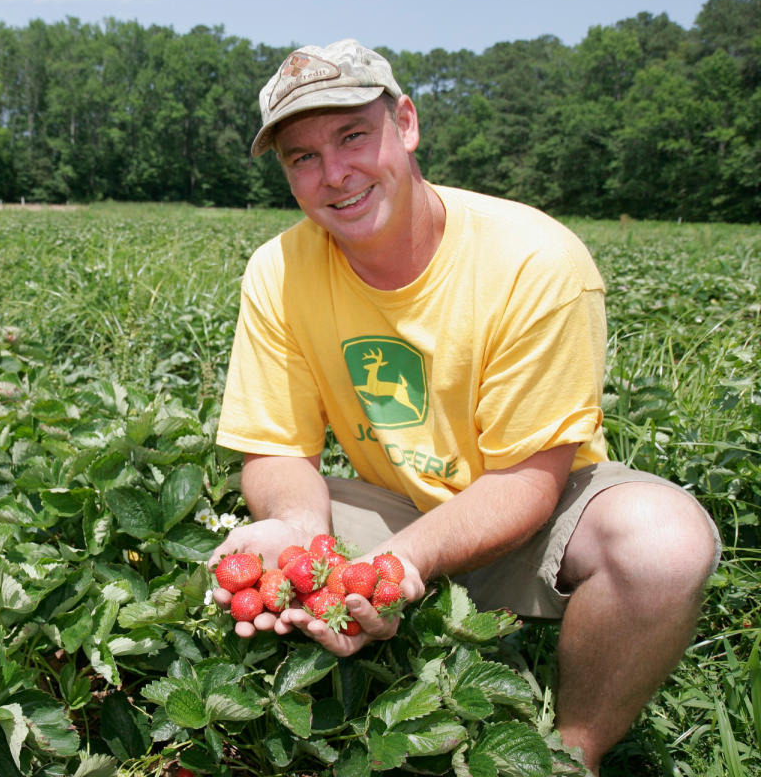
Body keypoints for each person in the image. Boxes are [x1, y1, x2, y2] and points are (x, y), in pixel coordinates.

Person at [207, 39, 720, 775]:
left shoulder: (533, 262)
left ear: (406, 123)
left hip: (531, 513)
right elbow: (278, 447)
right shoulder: (279, 270)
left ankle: (571, 754)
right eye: (303, 157)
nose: (335, 174)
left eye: (354, 135)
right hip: (395, 503)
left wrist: (399, 564)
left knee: (663, 545)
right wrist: (296, 531)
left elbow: (526, 482)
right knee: (256, 548)